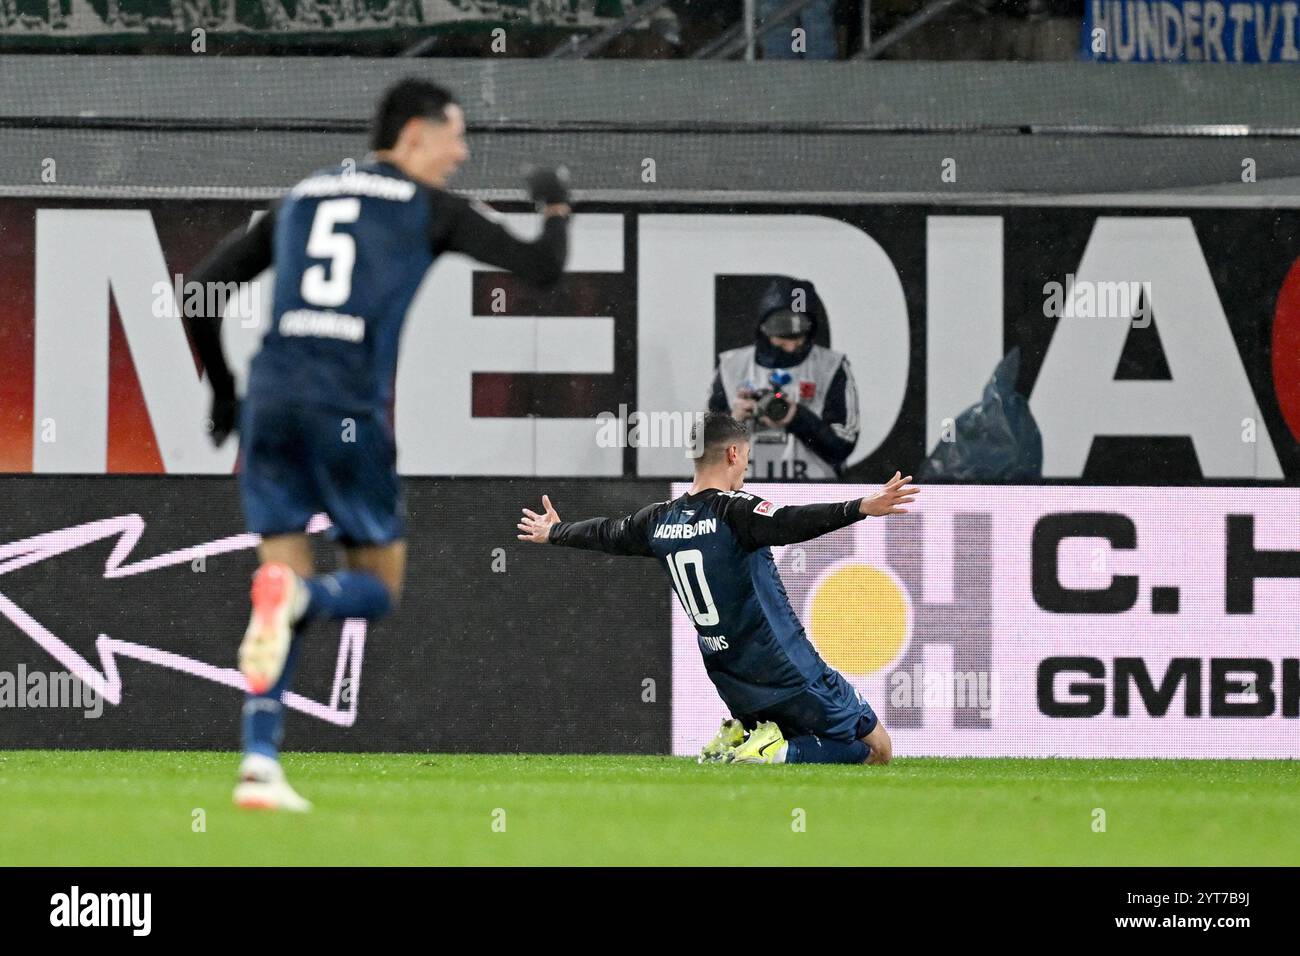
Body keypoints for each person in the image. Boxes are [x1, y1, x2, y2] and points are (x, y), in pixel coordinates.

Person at [185, 77, 572, 810]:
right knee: (375, 590)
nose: (461, 153)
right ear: (415, 135)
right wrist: (555, 205)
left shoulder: (301, 194)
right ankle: (301, 600)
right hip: (346, 409)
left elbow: (201, 287)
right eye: (455, 135)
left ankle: (259, 762)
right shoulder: (431, 207)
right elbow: (543, 269)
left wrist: (224, 394)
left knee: (279, 591)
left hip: (270, 403)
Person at [516, 412, 917, 765]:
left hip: (731, 680)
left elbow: (607, 532)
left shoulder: (659, 520)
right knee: (877, 749)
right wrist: (860, 507)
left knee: (815, 743)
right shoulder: (734, 510)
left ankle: (741, 741)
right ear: (732, 455)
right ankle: (772, 752)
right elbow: (791, 521)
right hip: (788, 669)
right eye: (745, 456)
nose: (745, 466)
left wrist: (555, 531)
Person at [708, 277, 859, 479]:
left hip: (813, 492)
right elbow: (704, 448)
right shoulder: (732, 367)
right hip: (744, 490)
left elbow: (842, 445)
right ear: (763, 327)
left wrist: (797, 417)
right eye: (782, 335)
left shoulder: (830, 366)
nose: (790, 346)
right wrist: (733, 420)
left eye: (798, 336)